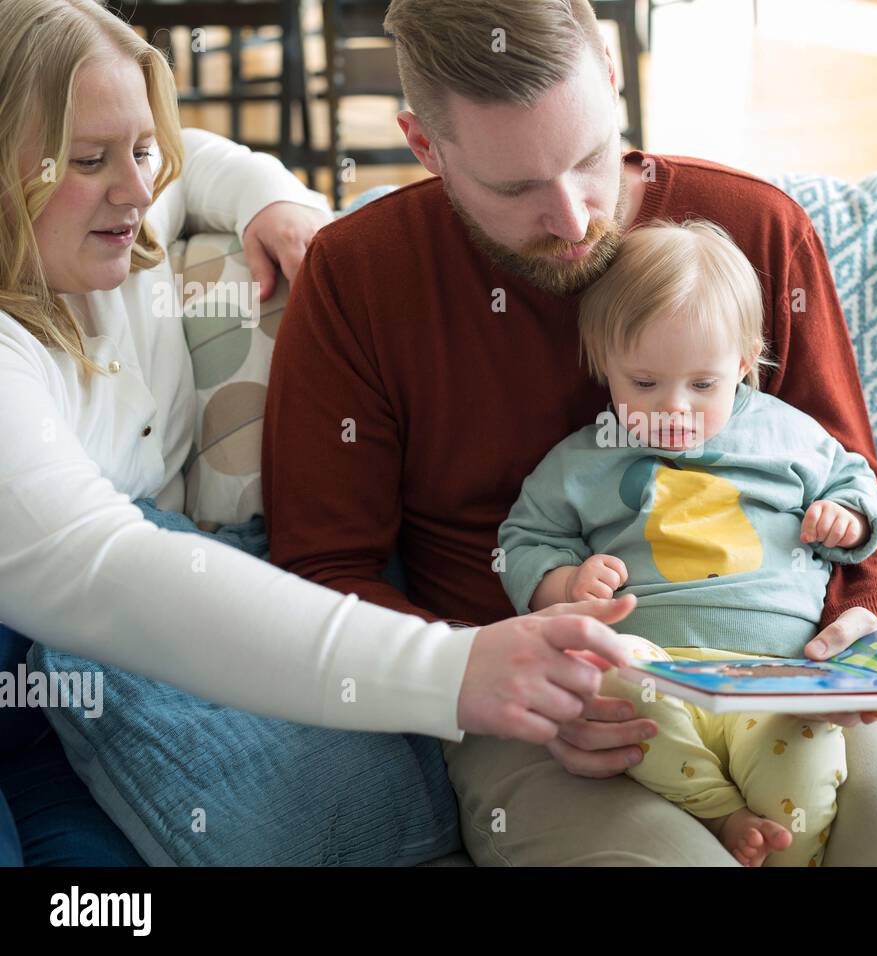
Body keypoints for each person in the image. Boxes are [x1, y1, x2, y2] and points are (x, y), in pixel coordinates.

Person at [262, 0, 877, 865]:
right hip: (535, 712)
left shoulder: (755, 230)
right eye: (515, 187)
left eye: (588, 158)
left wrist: (863, 626)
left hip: (795, 677)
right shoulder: (361, 276)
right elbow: (321, 570)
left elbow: (857, 488)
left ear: (611, 76)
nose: (574, 220)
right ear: (425, 146)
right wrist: (486, 682)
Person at [0, 0, 633, 866]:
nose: (141, 190)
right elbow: (116, 575)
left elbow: (200, 169)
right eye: (89, 159)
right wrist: (454, 671)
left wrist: (276, 202)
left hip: (75, 691)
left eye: (142, 149)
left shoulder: (112, 217)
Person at [498, 217, 877, 866]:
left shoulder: (788, 435)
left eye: (703, 385)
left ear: (741, 366)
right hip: (655, 663)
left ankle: (782, 851)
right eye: (644, 383)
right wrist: (565, 584)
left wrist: (845, 517)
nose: (673, 408)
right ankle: (716, 812)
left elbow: (859, 482)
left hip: (776, 679)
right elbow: (523, 538)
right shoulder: (584, 459)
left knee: (809, 753)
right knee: (611, 671)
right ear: (605, 366)